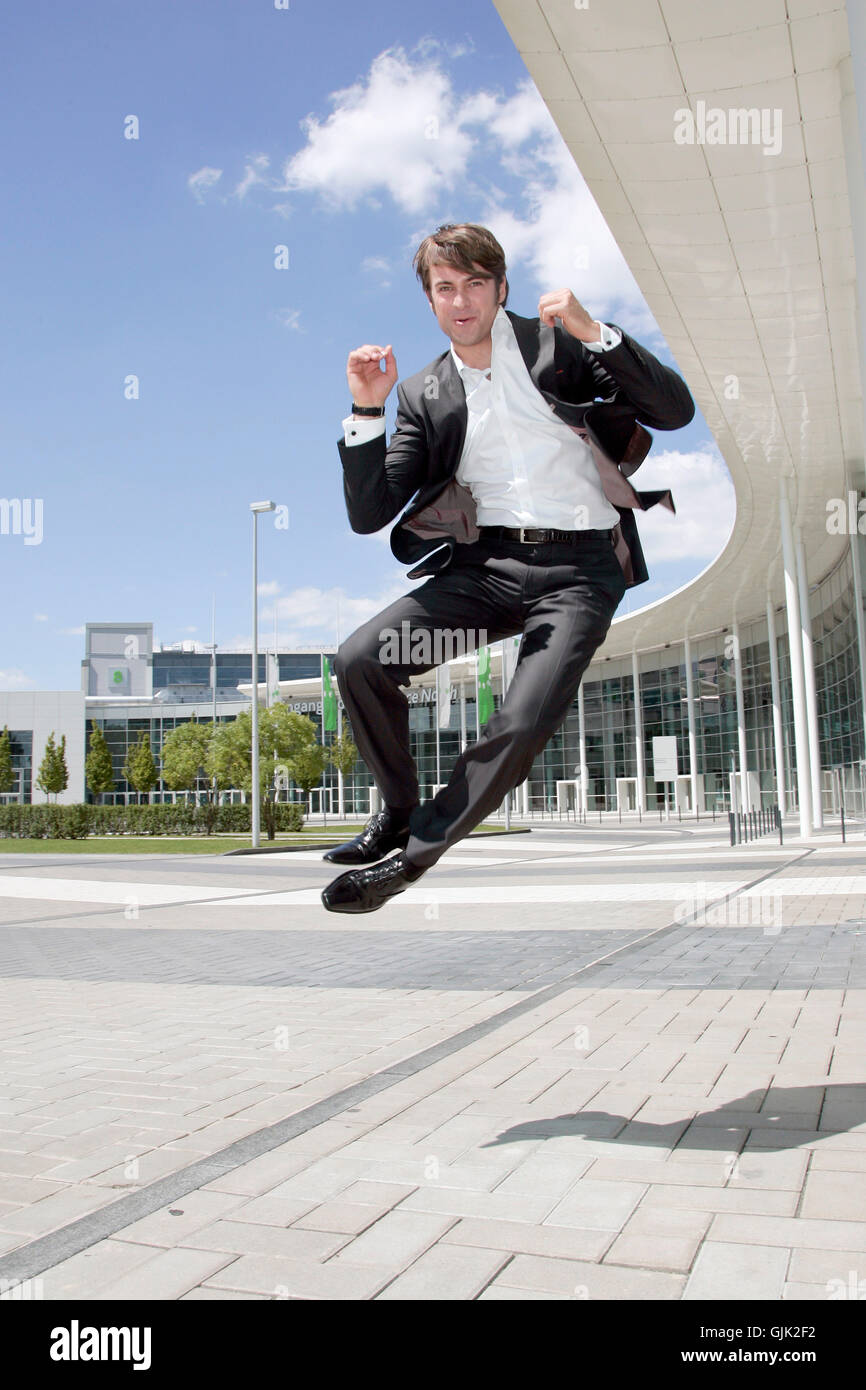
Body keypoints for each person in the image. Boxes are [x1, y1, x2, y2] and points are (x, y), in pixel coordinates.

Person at [321, 223, 694, 914]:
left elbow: (675, 410)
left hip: (581, 572)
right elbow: (370, 512)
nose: (460, 301)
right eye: (444, 288)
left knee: (520, 724)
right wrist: (366, 408)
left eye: (473, 284)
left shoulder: (558, 346)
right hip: (488, 571)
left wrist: (597, 333)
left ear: (499, 289)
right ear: (430, 300)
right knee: (361, 660)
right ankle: (398, 809)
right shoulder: (423, 393)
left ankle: (409, 863)